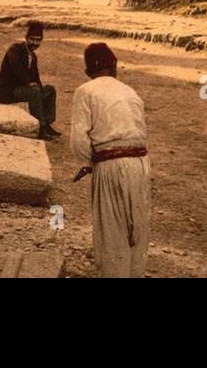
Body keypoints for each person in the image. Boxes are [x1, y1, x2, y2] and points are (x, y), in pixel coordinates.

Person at [70, 42, 151, 278]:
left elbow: (79, 138)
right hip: (141, 164)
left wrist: (86, 163)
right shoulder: (130, 91)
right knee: (137, 230)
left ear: (88, 70)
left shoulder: (85, 91)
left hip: (110, 164)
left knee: (112, 232)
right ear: (113, 65)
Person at [0, 20, 60, 140]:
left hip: (21, 89)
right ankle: (40, 128)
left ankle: (47, 123)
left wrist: (39, 87)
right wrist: (30, 84)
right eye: (32, 39)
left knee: (49, 89)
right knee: (33, 91)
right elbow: (17, 69)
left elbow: (36, 77)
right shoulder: (15, 49)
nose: (35, 43)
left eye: (38, 40)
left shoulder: (33, 56)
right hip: (7, 91)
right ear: (26, 38)